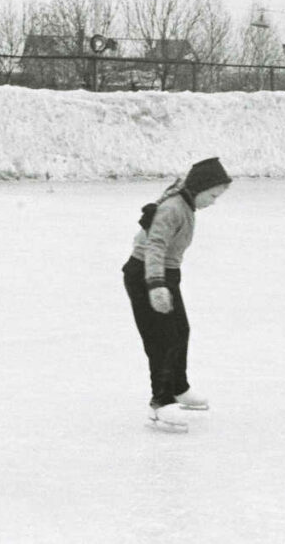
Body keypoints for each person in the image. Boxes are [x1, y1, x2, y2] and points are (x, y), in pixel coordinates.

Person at [123, 157, 232, 431]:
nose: (213, 202)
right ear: (199, 188)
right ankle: (161, 402)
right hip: (147, 275)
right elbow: (155, 246)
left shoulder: (185, 203)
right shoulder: (173, 208)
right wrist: (156, 285)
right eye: (213, 195)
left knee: (179, 331)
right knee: (160, 339)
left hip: (164, 274)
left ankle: (179, 387)